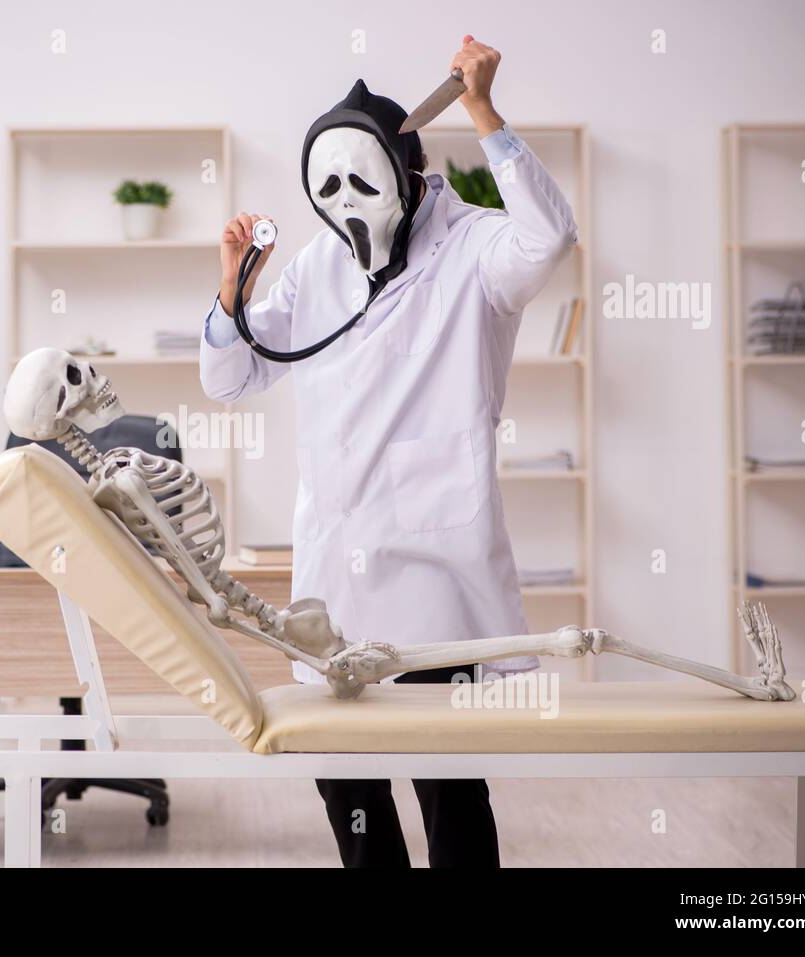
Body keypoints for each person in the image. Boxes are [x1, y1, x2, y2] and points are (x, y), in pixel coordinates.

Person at [198, 36, 578, 868]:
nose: (344, 201)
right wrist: (235, 286)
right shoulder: (316, 266)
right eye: (325, 185)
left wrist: (481, 109)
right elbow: (231, 379)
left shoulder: (475, 245)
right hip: (336, 568)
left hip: (436, 569)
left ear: (406, 176)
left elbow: (550, 238)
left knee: (447, 778)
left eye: (359, 180)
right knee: (344, 775)